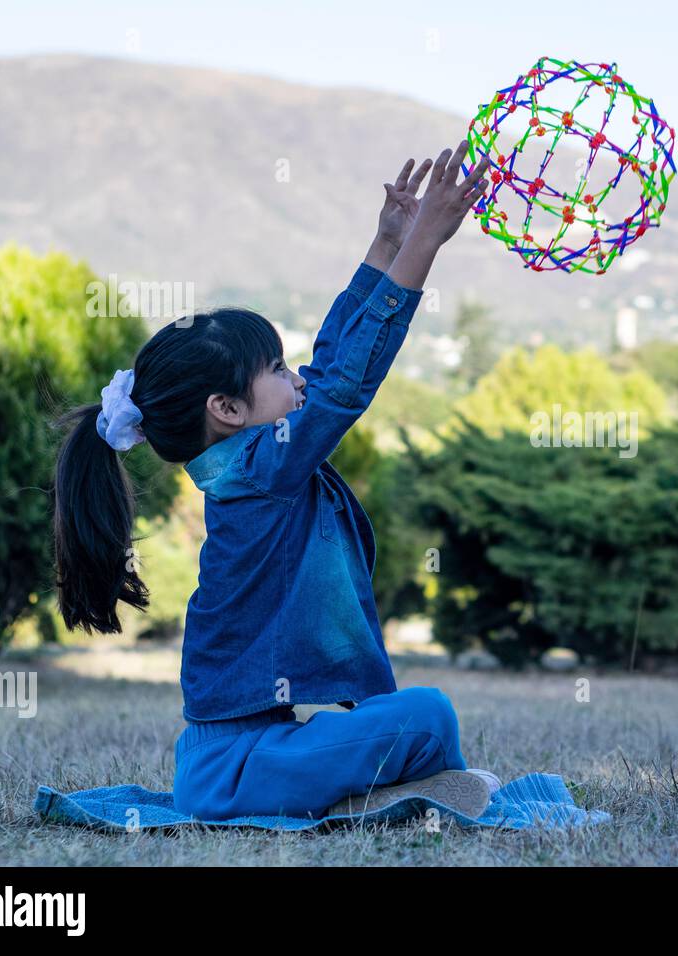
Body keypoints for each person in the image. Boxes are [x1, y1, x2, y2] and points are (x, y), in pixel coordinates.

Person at [52, 138, 501, 820]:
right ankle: (391, 793)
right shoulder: (260, 469)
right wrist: (425, 247)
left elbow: (329, 366)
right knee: (429, 718)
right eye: (275, 371)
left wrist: (385, 247)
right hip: (233, 773)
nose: (295, 380)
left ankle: (387, 791)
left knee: (419, 720)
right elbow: (346, 382)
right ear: (227, 410)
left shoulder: (254, 457)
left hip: (261, 752)